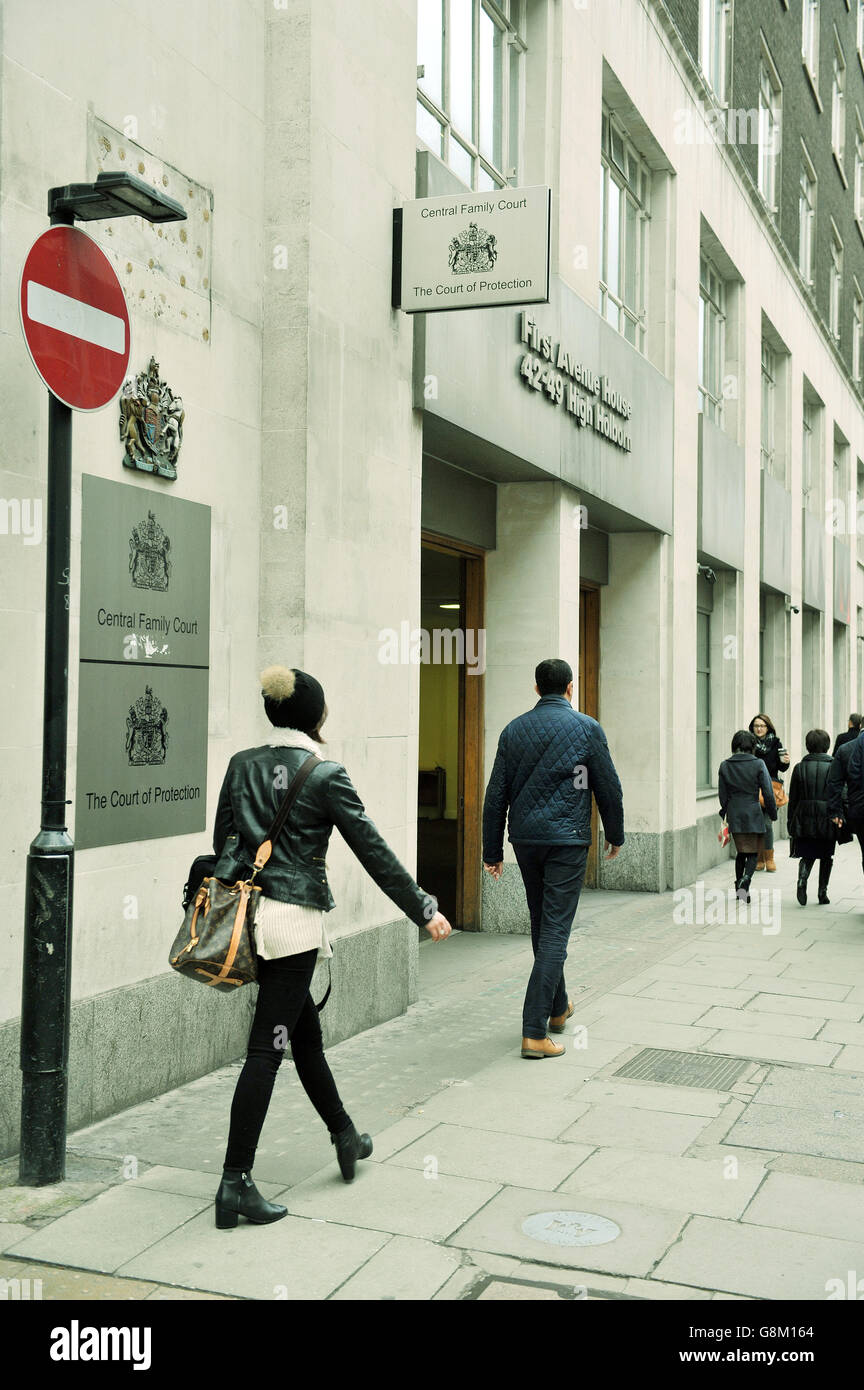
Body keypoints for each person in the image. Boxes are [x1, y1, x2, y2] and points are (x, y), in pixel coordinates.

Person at [212, 666, 452, 1229]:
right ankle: (234, 1183)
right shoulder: (323, 775)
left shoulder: (241, 765)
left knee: (304, 1035)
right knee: (266, 1051)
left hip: (249, 922)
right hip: (293, 928)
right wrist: (423, 907)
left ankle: (346, 1136)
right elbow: (372, 848)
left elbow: (223, 842)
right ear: (314, 717)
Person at [481, 658, 624, 1060]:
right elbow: (608, 787)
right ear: (571, 688)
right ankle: (533, 1030)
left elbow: (496, 795)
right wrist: (614, 834)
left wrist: (492, 850)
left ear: (536, 688)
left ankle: (558, 1007)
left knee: (544, 924)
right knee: (556, 930)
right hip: (567, 841)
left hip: (526, 841)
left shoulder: (514, 730)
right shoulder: (586, 728)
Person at [718, 731, 777, 902]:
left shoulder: (725, 765)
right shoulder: (758, 764)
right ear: (752, 746)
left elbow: (723, 795)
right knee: (753, 853)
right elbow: (768, 792)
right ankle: (746, 880)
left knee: (741, 852)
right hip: (753, 812)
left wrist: (726, 812)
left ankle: (739, 890)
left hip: (735, 813)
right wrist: (772, 813)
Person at [787, 730, 835, 906]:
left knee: (807, 853)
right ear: (827, 745)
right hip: (826, 816)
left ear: (807, 746)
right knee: (826, 855)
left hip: (803, 816)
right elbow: (839, 793)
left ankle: (802, 879)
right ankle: (822, 893)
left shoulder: (799, 767)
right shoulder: (833, 766)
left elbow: (793, 798)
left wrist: (790, 821)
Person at [748, 714, 790, 872]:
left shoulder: (776, 743)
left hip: (770, 789)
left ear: (768, 727)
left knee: (767, 824)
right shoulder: (749, 743)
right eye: (756, 726)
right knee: (755, 826)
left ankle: (769, 858)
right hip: (752, 788)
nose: (759, 729)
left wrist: (786, 762)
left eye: (762, 726)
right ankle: (759, 858)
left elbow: (782, 768)